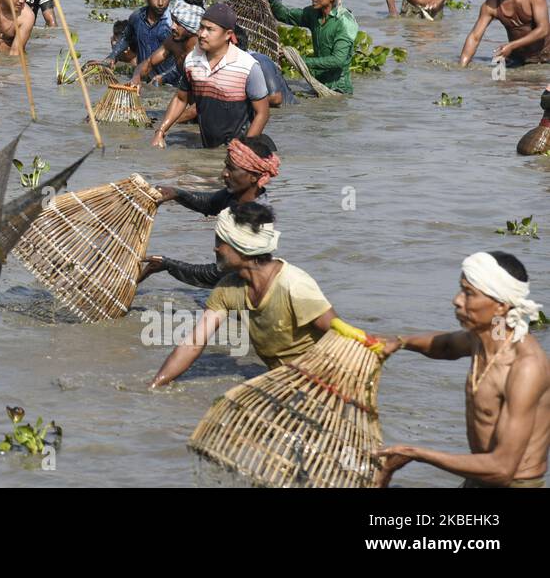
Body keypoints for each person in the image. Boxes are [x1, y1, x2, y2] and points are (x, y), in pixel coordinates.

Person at [376, 251, 549, 488]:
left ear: (500, 305)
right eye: (461, 290)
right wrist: (401, 341)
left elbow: (502, 469)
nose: (457, 300)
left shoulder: (525, 368)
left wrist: (416, 453)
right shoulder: (491, 334)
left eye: (468, 294)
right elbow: (446, 346)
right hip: (477, 479)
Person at [149, 203, 338, 386]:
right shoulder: (227, 288)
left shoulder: (294, 284)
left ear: (240, 246)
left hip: (321, 377)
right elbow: (193, 343)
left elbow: (340, 337)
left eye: (220, 242)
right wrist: (157, 383)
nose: (215, 249)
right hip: (281, 378)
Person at [142, 136, 281, 286]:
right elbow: (210, 203)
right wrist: (176, 194)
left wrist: (168, 265)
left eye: (231, 169)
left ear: (254, 177)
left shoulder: (255, 219)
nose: (224, 173)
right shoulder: (236, 195)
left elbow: (220, 275)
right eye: (225, 166)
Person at [152, 2, 271, 149]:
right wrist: (161, 131)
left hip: (240, 146)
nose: (202, 34)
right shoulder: (192, 60)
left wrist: (244, 150)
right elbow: (180, 98)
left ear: (228, 34)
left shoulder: (248, 66)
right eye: (201, 27)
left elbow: (262, 113)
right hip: (209, 145)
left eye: (210, 29)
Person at [267, 0, 357, 94]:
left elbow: (338, 60)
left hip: (338, 90)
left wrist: (299, 60)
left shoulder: (344, 21)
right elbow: (285, 15)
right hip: (317, 84)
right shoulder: (313, 14)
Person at [459, 0, 549, 67]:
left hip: (545, 57)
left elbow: (543, 29)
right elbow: (474, 37)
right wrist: (461, 67)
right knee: (499, 81)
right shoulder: (490, 5)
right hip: (519, 59)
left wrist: (511, 46)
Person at [104, 0, 176, 83]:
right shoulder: (136, 17)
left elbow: (183, 57)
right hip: (142, 80)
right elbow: (126, 38)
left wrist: (164, 78)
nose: (161, 3)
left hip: (168, 83)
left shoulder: (173, 23)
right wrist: (112, 56)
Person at [133, 0, 201, 85]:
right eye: (173, 20)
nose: (172, 26)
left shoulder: (201, 49)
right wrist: (136, 77)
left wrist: (164, 78)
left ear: (192, 26)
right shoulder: (172, 40)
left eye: (178, 23)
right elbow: (149, 62)